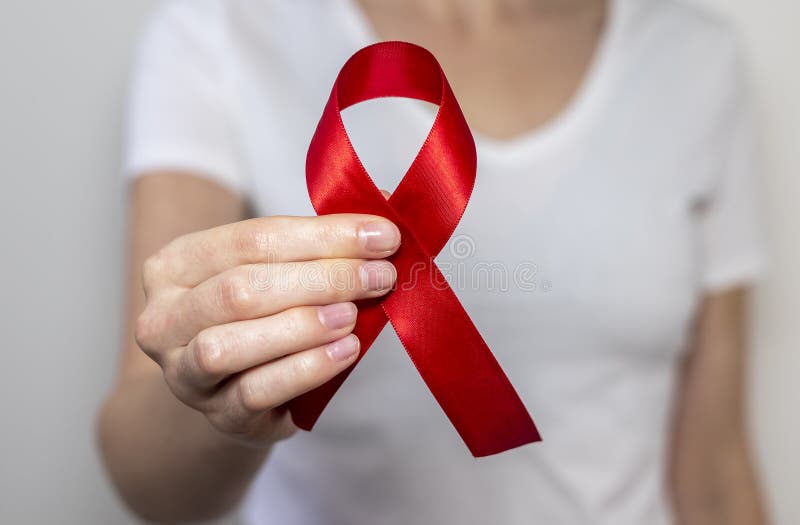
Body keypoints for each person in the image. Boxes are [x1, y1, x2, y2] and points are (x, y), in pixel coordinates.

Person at [97, 0, 769, 523]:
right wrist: (220, 400)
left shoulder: (696, 61)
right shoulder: (220, 34)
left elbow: (714, 474)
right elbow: (148, 479)